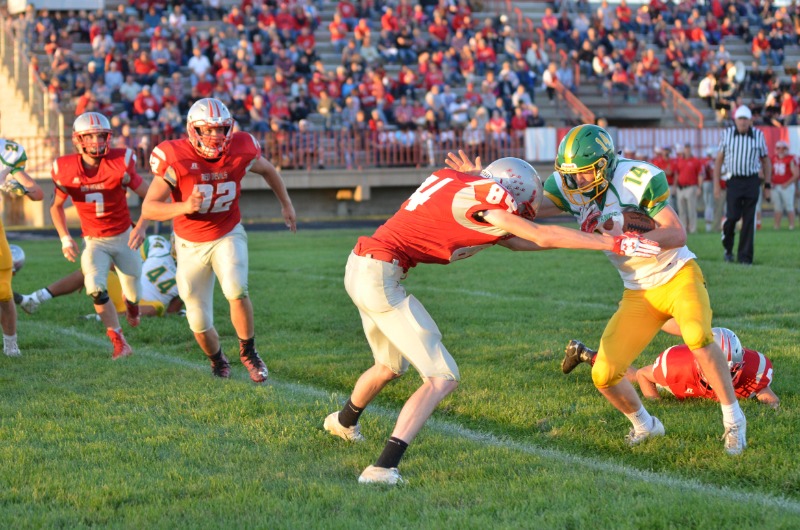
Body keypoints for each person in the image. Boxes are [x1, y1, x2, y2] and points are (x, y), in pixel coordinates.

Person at [323, 153, 661, 486]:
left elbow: (518, 241)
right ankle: (382, 468)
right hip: (381, 275)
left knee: (389, 365)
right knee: (442, 377)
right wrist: (611, 242)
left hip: (361, 266)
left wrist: (578, 239)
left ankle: (343, 421)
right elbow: (538, 234)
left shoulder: (462, 182)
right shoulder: (489, 199)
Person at [540, 124, 747, 455]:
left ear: (605, 164)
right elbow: (530, 207)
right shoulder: (570, 187)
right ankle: (645, 425)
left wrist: (635, 242)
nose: (576, 183)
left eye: (584, 173)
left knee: (696, 335)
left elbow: (677, 233)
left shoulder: (635, 179)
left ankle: (734, 419)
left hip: (677, 273)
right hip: (638, 292)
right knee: (604, 374)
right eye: (572, 175)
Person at [142, 98, 296, 382]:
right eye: (208, 130)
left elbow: (269, 170)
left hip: (227, 231)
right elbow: (150, 206)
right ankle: (217, 360)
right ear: (193, 130)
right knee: (198, 319)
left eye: (221, 129)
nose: (215, 137)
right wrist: (183, 207)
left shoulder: (241, 147)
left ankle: (249, 353)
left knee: (236, 288)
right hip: (189, 243)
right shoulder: (174, 156)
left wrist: (286, 204)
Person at [51, 112, 150, 359]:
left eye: (101, 135)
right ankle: (118, 340)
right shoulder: (65, 169)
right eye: (90, 136)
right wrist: (65, 237)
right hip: (94, 240)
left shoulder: (120, 162)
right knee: (94, 286)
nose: (96, 140)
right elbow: (55, 206)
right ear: (78, 140)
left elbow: (150, 197)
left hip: (124, 237)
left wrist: (142, 227)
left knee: (134, 292)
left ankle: (132, 306)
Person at [562, 325, 780, 410]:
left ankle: (582, 352)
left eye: (729, 371)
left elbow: (767, 394)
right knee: (637, 378)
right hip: (682, 370)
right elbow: (643, 374)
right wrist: (655, 405)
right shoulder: (676, 366)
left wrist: (772, 406)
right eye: (716, 369)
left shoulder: (753, 368)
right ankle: (586, 355)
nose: (721, 376)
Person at [16, 235, 183, 319]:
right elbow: (124, 261)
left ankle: (101, 317)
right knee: (92, 268)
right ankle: (37, 298)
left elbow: (171, 310)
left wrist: (180, 312)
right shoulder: (157, 245)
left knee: (158, 307)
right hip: (124, 291)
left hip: (142, 307)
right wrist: (94, 274)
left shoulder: (192, 273)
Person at [0, 138, 44, 356]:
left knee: (4, 292)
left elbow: (37, 193)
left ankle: (10, 344)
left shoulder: (6, 153)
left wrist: (21, 189)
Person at [713, 105, 771, 265]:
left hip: (752, 181)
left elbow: (766, 161)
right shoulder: (727, 134)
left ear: (751, 120)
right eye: (740, 119)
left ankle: (745, 257)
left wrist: (768, 185)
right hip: (734, 181)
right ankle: (728, 248)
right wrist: (716, 184)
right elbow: (719, 160)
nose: (743, 122)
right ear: (735, 120)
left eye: (746, 119)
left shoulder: (758, 135)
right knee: (732, 217)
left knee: (749, 219)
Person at [770, 140, 797, 230]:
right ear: (775, 149)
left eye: (783, 148)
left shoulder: (791, 159)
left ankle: (792, 226)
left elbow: (796, 174)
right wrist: (770, 182)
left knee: (789, 206)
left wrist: (787, 183)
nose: (781, 150)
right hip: (775, 186)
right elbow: (769, 172)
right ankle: (777, 226)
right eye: (778, 148)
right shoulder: (773, 158)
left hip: (787, 186)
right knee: (777, 207)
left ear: (787, 149)